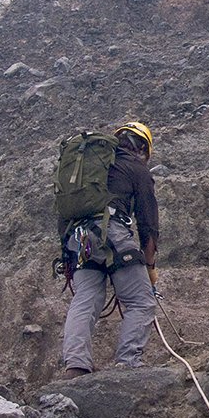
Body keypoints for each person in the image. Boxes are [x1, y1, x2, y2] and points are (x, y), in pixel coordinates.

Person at [61, 122, 160, 377]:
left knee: (85, 299)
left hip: (79, 238)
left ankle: (76, 365)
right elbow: (148, 223)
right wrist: (149, 267)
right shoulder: (136, 167)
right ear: (142, 148)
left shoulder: (91, 165)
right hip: (112, 232)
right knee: (141, 301)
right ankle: (127, 363)